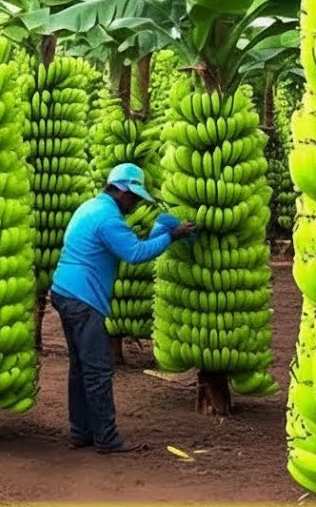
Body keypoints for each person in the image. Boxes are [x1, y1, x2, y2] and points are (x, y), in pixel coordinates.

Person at [50, 162, 194, 453]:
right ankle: (106, 438)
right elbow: (134, 253)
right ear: (123, 191)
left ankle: (81, 432)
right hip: (82, 298)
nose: (136, 203)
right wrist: (172, 236)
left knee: (80, 368)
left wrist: (159, 233)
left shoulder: (91, 207)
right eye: (135, 197)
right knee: (98, 369)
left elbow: (129, 246)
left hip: (64, 292)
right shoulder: (107, 219)